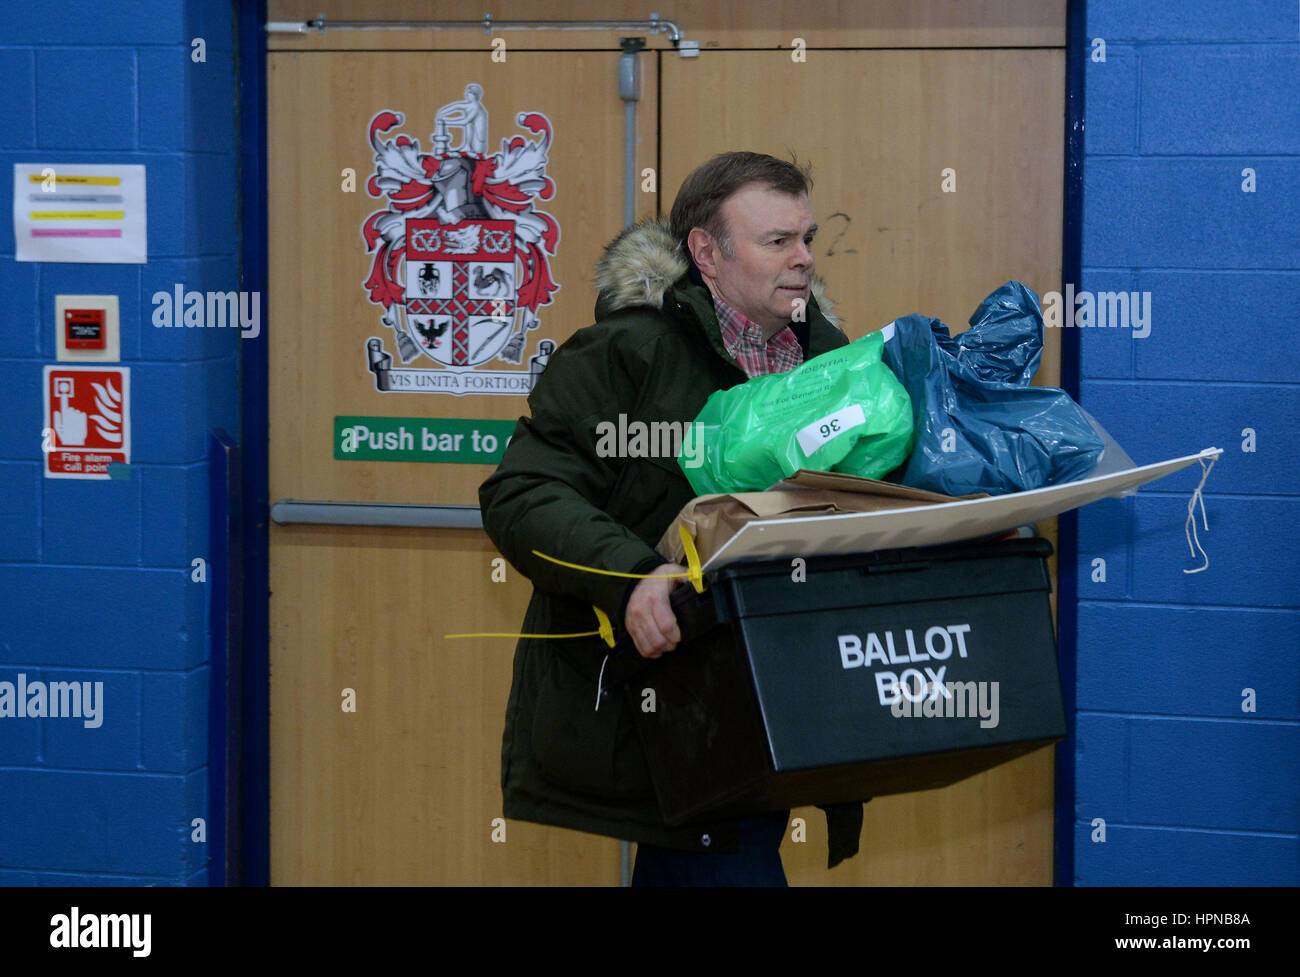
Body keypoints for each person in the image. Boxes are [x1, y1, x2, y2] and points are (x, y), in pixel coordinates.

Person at [478, 151, 866, 886]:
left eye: (807, 238)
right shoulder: (629, 354)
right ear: (705, 252)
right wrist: (632, 579)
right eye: (778, 241)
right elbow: (523, 491)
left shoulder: (836, 365)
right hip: (678, 711)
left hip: (792, 703)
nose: (805, 259)